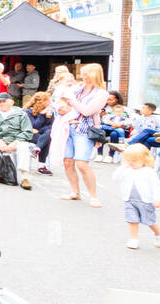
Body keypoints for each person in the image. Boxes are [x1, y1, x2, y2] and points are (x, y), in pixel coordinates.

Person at [55, 63, 109, 207]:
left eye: (87, 75)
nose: (84, 77)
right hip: (69, 127)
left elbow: (87, 111)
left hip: (85, 130)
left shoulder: (101, 93)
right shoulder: (78, 89)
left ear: (95, 75)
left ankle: (93, 196)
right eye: (83, 74)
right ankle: (75, 192)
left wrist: (71, 100)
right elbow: (60, 100)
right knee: (67, 161)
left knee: (82, 163)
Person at [0, 94, 35, 190]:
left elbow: (27, 131)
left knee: (24, 147)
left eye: (4, 101)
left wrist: (16, 142)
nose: (1, 104)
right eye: (0, 102)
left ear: (11, 102)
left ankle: (24, 177)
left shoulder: (21, 114)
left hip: (17, 139)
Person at [116, 145, 160, 250]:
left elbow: (156, 186)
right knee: (132, 220)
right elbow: (115, 178)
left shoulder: (149, 172)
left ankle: (158, 234)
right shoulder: (127, 170)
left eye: (134, 160)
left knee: (150, 221)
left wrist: (158, 198)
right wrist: (123, 167)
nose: (131, 163)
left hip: (145, 201)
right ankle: (133, 239)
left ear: (144, 159)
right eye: (129, 160)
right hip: (129, 199)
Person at [95, 90, 132, 162]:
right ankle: (99, 154)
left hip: (121, 130)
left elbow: (131, 120)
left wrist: (121, 124)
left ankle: (110, 155)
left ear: (116, 99)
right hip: (108, 127)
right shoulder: (104, 109)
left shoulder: (124, 109)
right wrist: (111, 123)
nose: (109, 101)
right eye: (107, 100)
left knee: (114, 134)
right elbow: (102, 120)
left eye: (111, 99)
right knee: (100, 131)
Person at [24, 91, 55, 174]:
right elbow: (34, 126)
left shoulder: (48, 112)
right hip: (29, 135)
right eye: (48, 101)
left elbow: (50, 126)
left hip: (42, 134)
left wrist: (40, 130)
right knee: (47, 138)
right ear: (42, 102)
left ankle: (37, 148)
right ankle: (41, 166)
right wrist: (41, 115)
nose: (50, 103)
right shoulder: (28, 112)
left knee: (49, 133)